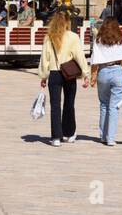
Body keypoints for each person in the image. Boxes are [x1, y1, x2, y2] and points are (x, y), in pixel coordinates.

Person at [37, 11, 90, 146]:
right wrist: (85, 74)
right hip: (69, 73)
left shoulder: (49, 37)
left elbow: (45, 58)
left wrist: (43, 76)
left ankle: (56, 137)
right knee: (69, 104)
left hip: (54, 73)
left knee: (55, 106)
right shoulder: (73, 37)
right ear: (67, 22)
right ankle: (68, 133)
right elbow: (79, 56)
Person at [90, 17, 122, 147]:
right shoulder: (121, 40)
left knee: (103, 104)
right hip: (117, 72)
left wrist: (93, 77)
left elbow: (95, 61)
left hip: (103, 72)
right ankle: (111, 138)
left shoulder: (98, 40)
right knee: (114, 107)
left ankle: (103, 135)